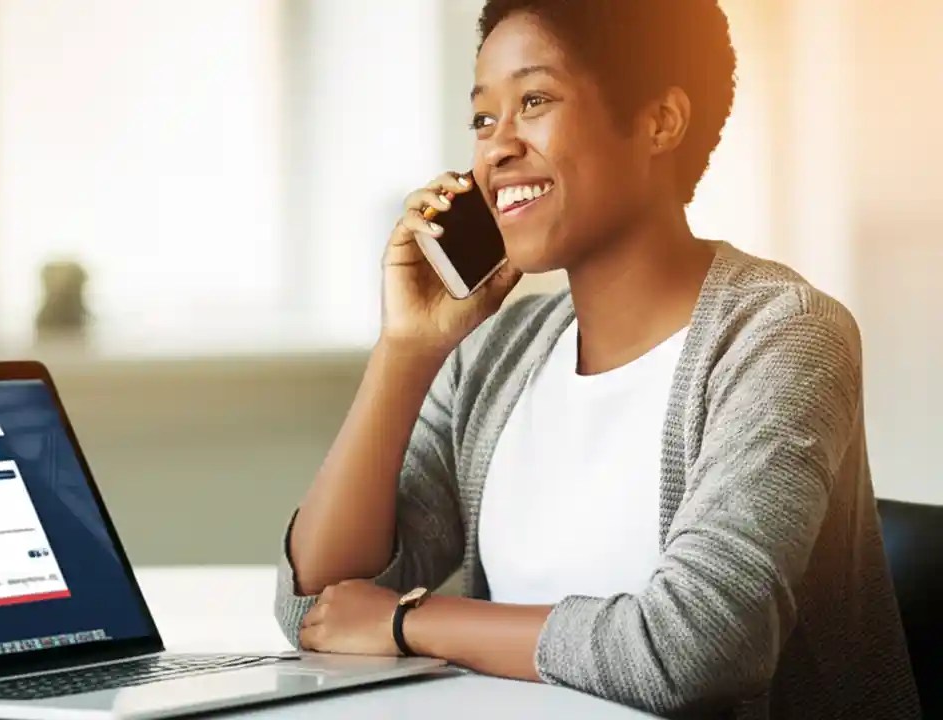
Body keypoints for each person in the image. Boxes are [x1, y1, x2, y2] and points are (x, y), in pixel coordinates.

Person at [273, 1, 920, 717]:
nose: (495, 149)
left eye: (535, 100)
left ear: (660, 121)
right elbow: (317, 606)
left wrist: (405, 622)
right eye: (484, 119)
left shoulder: (783, 336)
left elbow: (695, 647)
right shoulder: (499, 352)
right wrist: (406, 350)